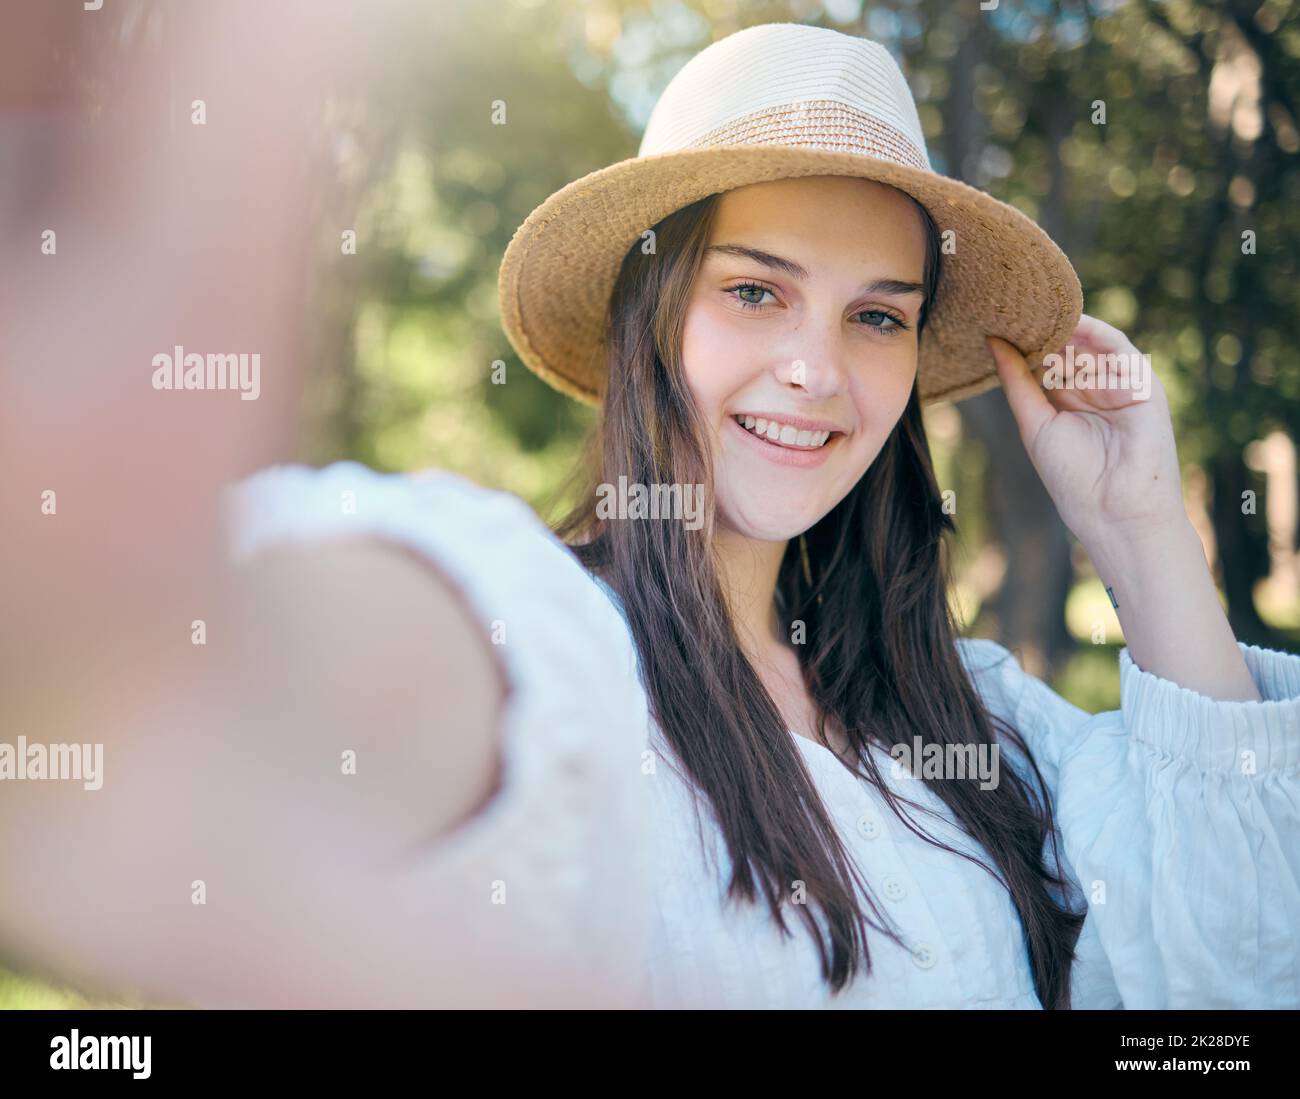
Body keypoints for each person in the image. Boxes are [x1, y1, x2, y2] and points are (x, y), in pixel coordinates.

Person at [4, 20, 1297, 1010]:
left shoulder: (971, 717)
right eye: (754, 292)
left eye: (877, 315)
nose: (818, 369)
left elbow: (1229, 979)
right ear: (653, 313)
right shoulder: (556, 654)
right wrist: (133, 620)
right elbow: (371, 669)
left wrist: (1137, 530)